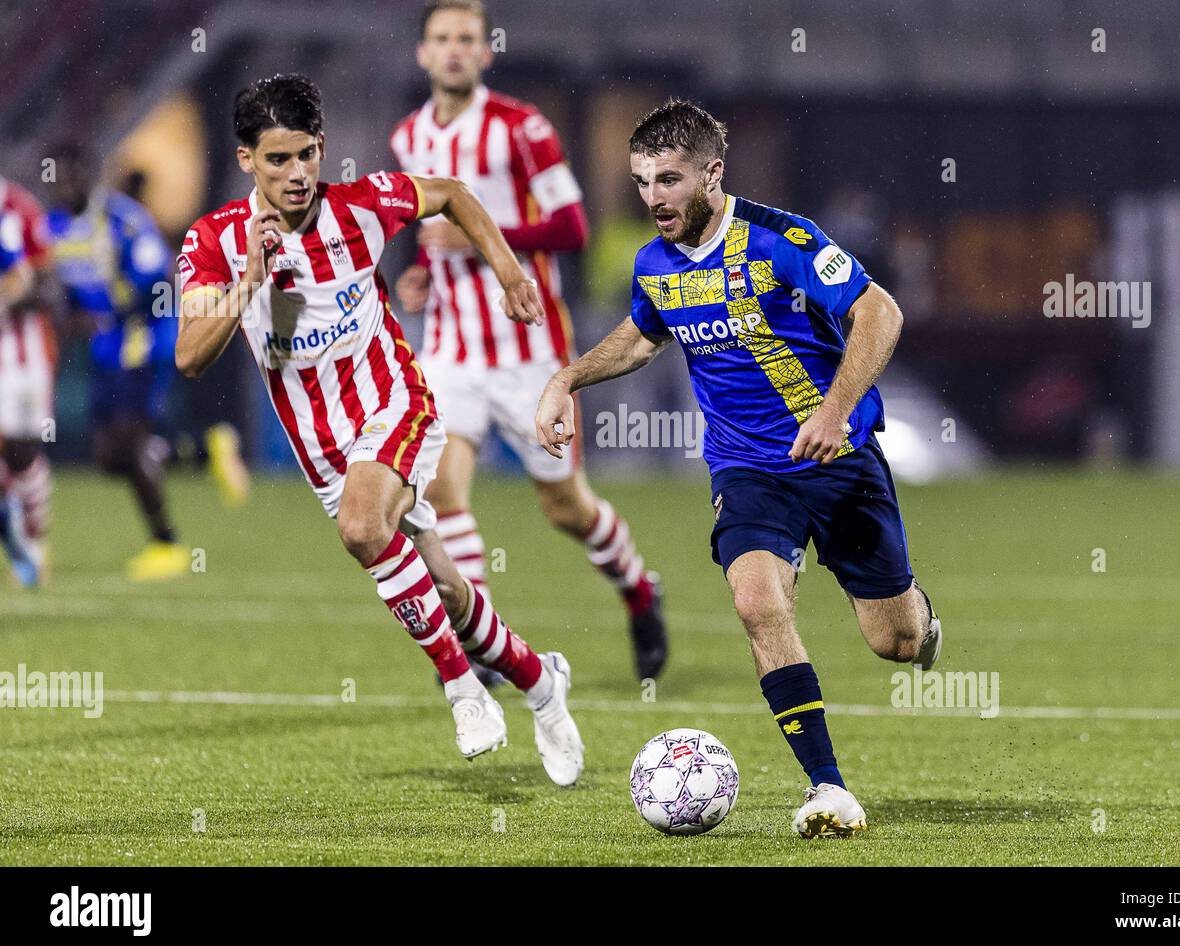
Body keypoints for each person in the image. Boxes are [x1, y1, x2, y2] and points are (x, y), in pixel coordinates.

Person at [536, 99, 944, 835]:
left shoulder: (784, 240)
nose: (655, 197)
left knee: (896, 642)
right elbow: (643, 333)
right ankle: (828, 787)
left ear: (712, 174)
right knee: (757, 602)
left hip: (837, 457)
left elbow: (879, 312)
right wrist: (567, 379)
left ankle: (918, 615)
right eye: (642, 182)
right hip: (746, 470)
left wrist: (833, 409)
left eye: (670, 179)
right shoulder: (654, 262)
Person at [175, 73, 583, 784]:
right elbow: (188, 355)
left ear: (323, 147)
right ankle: (541, 682)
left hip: (398, 406)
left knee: (364, 529)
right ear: (246, 160)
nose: (297, 173)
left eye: (307, 154)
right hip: (324, 453)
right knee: (448, 593)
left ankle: (462, 690)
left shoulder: (364, 204)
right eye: (278, 159)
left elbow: (453, 193)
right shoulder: (213, 241)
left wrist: (510, 273)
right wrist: (249, 280)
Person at [391, 0, 668, 681]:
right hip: (452, 350)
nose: (454, 49)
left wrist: (484, 236)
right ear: (423, 53)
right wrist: (425, 271)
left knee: (566, 508)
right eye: (441, 39)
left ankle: (638, 590)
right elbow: (432, 236)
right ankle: (481, 641)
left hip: (528, 351)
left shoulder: (523, 128)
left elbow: (575, 228)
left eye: (467, 38)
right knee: (442, 492)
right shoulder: (408, 138)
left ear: (486, 52)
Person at [46, 144, 190, 581]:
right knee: (108, 457)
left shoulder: (123, 220)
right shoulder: (53, 227)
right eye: (58, 178)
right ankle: (199, 449)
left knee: (127, 442)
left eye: (73, 177)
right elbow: (67, 286)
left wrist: (104, 310)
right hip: (107, 351)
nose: (65, 186)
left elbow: (154, 278)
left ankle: (167, 545)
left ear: (91, 177)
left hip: (144, 342)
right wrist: (69, 315)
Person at [0, 175, 55, 587]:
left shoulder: (18, 209)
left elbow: (39, 280)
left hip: (19, 353)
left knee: (19, 451)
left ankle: (33, 540)